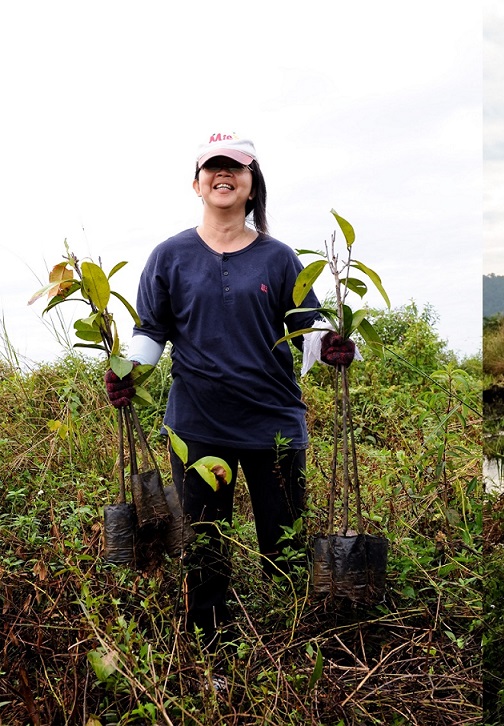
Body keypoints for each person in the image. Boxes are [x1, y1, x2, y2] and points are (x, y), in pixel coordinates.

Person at [108, 133, 355, 643]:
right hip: (198, 427)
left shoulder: (281, 257)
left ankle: (290, 649)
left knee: (283, 546)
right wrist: (127, 370)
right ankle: (212, 650)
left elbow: (312, 329)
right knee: (205, 547)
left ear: (250, 184)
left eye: (237, 169)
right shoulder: (169, 256)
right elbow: (151, 333)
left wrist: (336, 345)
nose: (225, 176)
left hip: (274, 425)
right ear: (197, 184)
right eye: (213, 168)